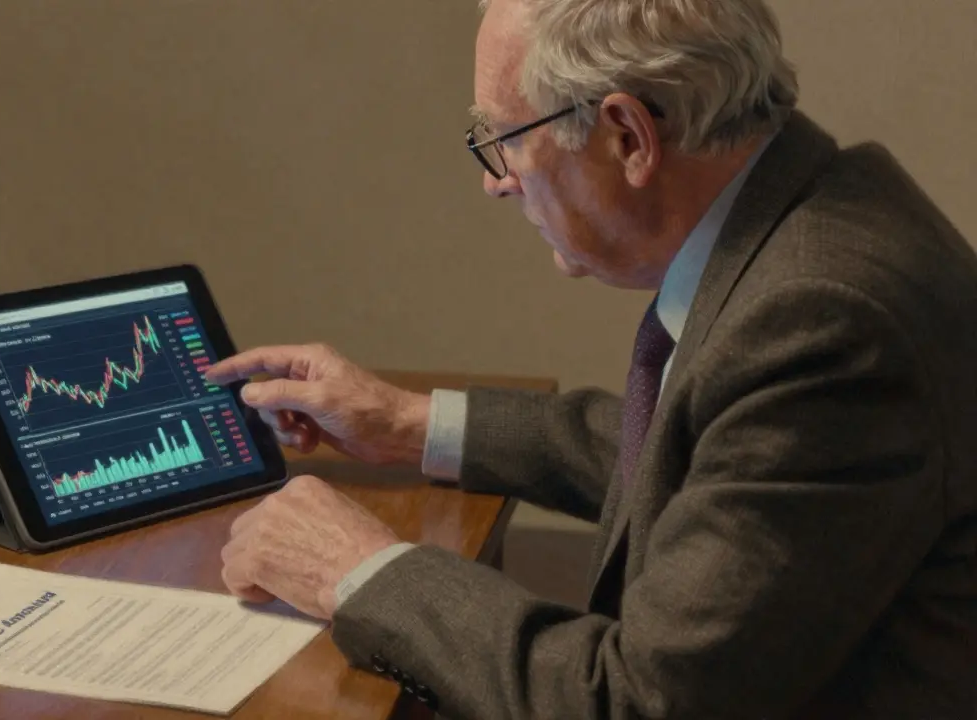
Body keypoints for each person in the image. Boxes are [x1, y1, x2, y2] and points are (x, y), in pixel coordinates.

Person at [204, 0, 977, 717]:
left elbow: (635, 701)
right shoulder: (818, 212)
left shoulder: (824, 323)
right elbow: (712, 459)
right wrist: (407, 422)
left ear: (628, 137)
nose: (493, 183)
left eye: (503, 140)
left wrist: (356, 569)